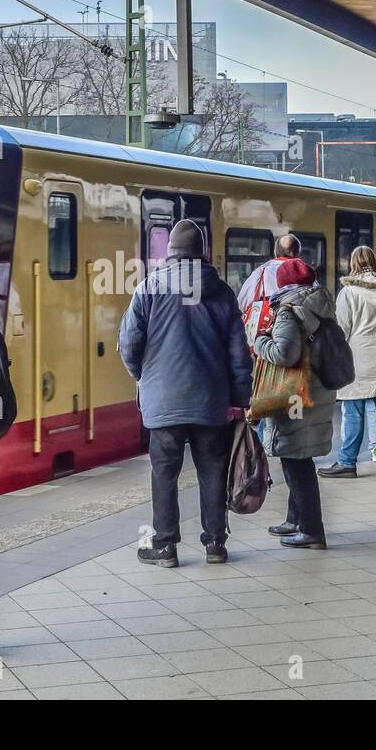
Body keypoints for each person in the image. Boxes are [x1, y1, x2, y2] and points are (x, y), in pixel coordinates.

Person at [120, 220, 252, 568]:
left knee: (164, 473)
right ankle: (214, 544)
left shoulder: (148, 289)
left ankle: (164, 545)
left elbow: (130, 344)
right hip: (211, 402)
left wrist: (145, 377)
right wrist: (241, 399)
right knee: (212, 470)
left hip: (163, 400)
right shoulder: (222, 292)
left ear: (171, 252)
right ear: (202, 252)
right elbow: (239, 354)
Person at [255, 258, 337, 549]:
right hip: (316, 392)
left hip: (295, 397)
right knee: (298, 458)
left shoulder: (289, 310)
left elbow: (284, 353)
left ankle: (312, 530)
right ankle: (295, 519)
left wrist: (259, 342)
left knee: (296, 463)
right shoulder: (322, 305)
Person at [318, 246, 376, 480]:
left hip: (357, 359)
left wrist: (335, 361)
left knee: (353, 413)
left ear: (353, 264)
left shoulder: (349, 293)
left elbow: (342, 330)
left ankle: (347, 463)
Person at [236, 232, 301, 317]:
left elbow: (241, 305)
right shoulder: (308, 275)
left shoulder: (262, 272)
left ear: (276, 252)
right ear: (298, 253)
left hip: (269, 327)